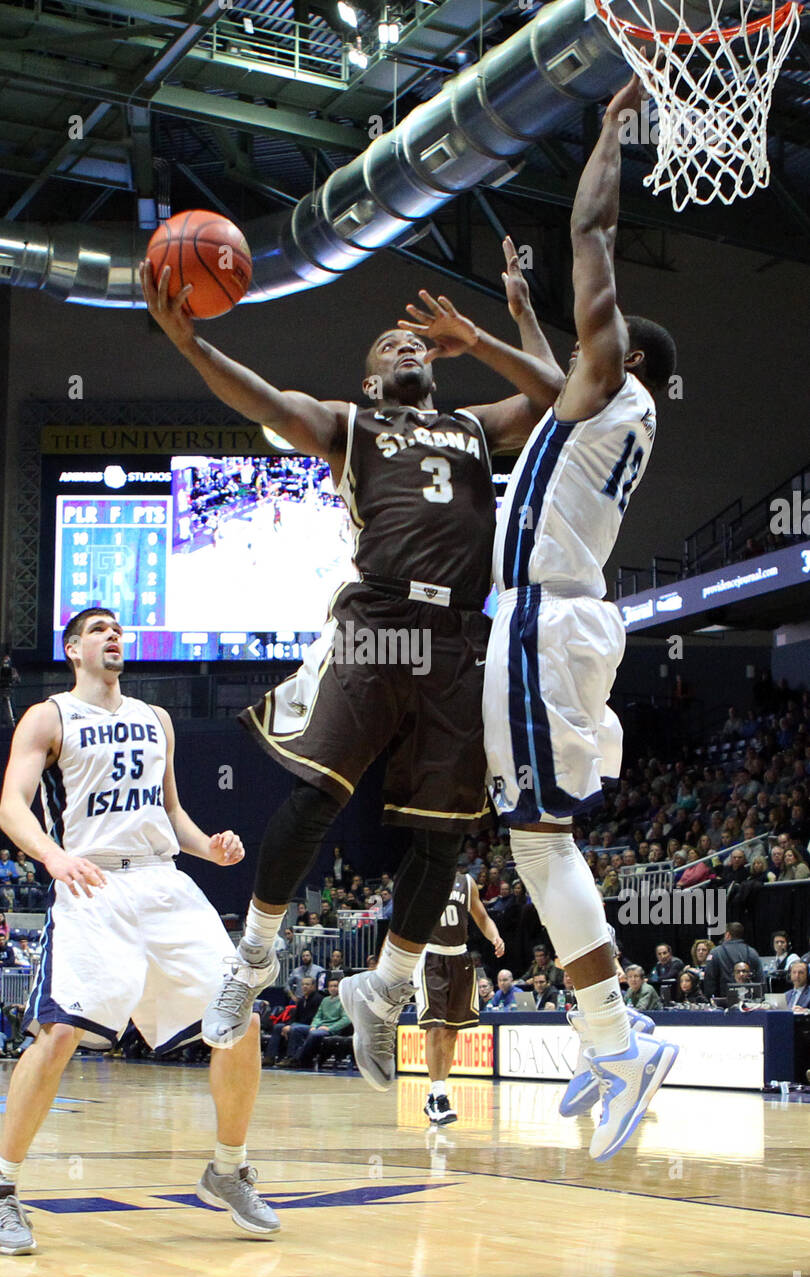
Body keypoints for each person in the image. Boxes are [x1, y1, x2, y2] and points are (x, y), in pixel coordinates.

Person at [140, 242, 565, 1091]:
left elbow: (560, 397)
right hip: (379, 621)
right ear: (371, 382)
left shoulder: (475, 427)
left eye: (413, 344)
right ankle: (252, 959)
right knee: (317, 792)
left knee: (444, 836)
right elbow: (261, 396)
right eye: (388, 348)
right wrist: (190, 343)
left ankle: (387, 987)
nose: (405, 348)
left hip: (457, 639)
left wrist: (493, 326)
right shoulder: (352, 423)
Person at [482, 74, 679, 1161]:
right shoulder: (610, 410)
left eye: (590, 338)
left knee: (536, 837)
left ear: (626, 361)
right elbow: (555, 374)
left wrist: (610, 134)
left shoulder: (614, 385)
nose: (577, 340)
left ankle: (613, 1033)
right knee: (532, 834)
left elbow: (590, 225)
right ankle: (605, 1028)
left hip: (540, 625)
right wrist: (509, 316)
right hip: (558, 624)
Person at [0, 605, 278, 1256]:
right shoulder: (48, 716)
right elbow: (11, 806)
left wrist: (210, 848)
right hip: (93, 883)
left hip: (164, 882)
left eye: (118, 628)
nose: (113, 635)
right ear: (74, 649)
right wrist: (53, 855)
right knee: (59, 1034)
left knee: (241, 1021)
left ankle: (228, 1170)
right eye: (98, 630)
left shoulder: (156, 720)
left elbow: (170, 813)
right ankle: (3, 1191)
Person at [414, 873, 504, 1125]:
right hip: (431, 956)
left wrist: (494, 936)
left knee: (452, 1030)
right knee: (435, 1027)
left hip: (460, 958)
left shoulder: (466, 881)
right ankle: (439, 1094)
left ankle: (437, 1094)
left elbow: (482, 917)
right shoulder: (423, 876)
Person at [294, 978, 351, 1070]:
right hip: (319, 1027)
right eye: (331, 986)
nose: (333, 988)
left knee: (313, 1034)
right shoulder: (325, 1000)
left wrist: (330, 1028)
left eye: (335, 986)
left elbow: (346, 1019)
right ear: (328, 988)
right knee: (297, 1029)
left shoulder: (344, 1000)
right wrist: (313, 1026)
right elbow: (318, 1016)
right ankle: (293, 1057)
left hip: (332, 1029)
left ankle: (301, 1059)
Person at [703, 922, 764, 1001]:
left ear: (727, 935)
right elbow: (760, 979)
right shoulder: (752, 952)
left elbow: (709, 980)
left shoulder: (715, 953)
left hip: (723, 1003)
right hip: (750, 1002)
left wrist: (711, 1000)